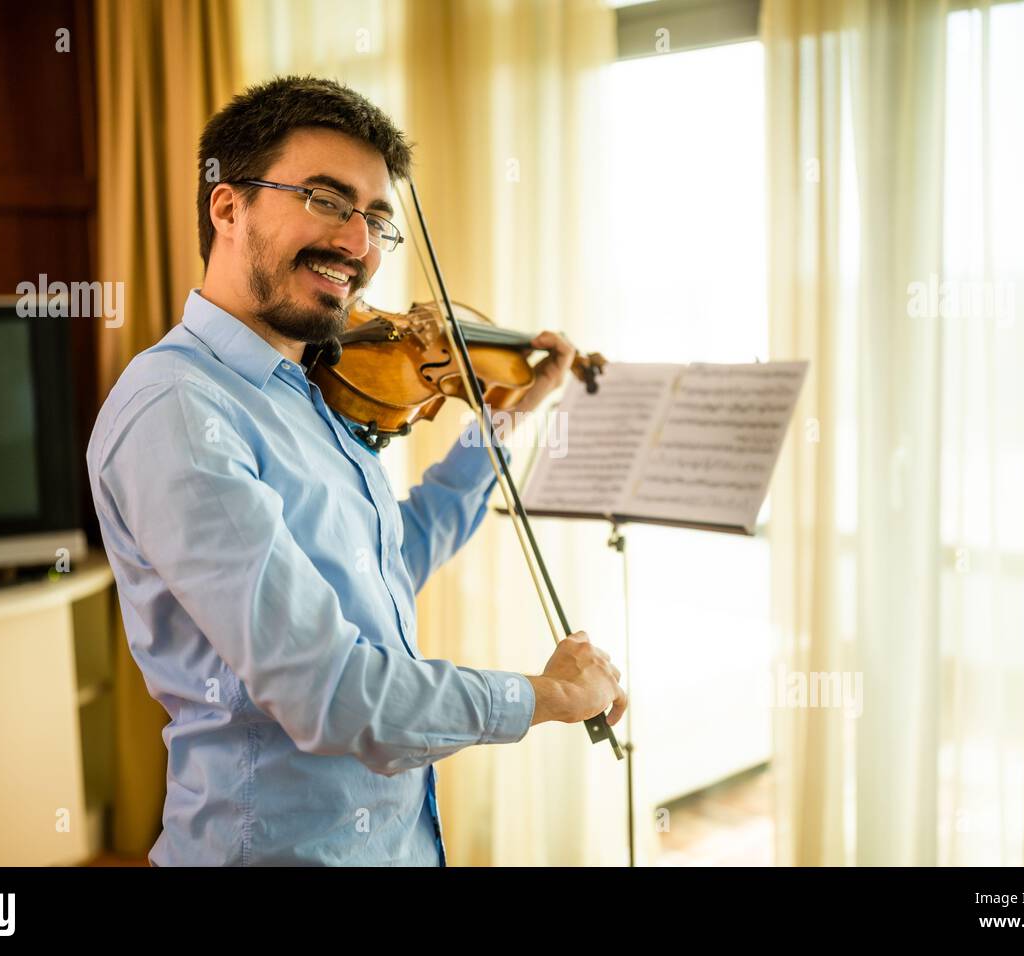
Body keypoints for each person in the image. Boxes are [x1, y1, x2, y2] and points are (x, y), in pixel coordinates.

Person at [86, 75, 627, 866]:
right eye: (327, 200)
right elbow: (334, 694)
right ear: (228, 207)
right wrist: (547, 696)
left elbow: (386, 563)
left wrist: (507, 414)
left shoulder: (307, 392)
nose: (359, 245)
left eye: (376, 218)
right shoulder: (177, 411)